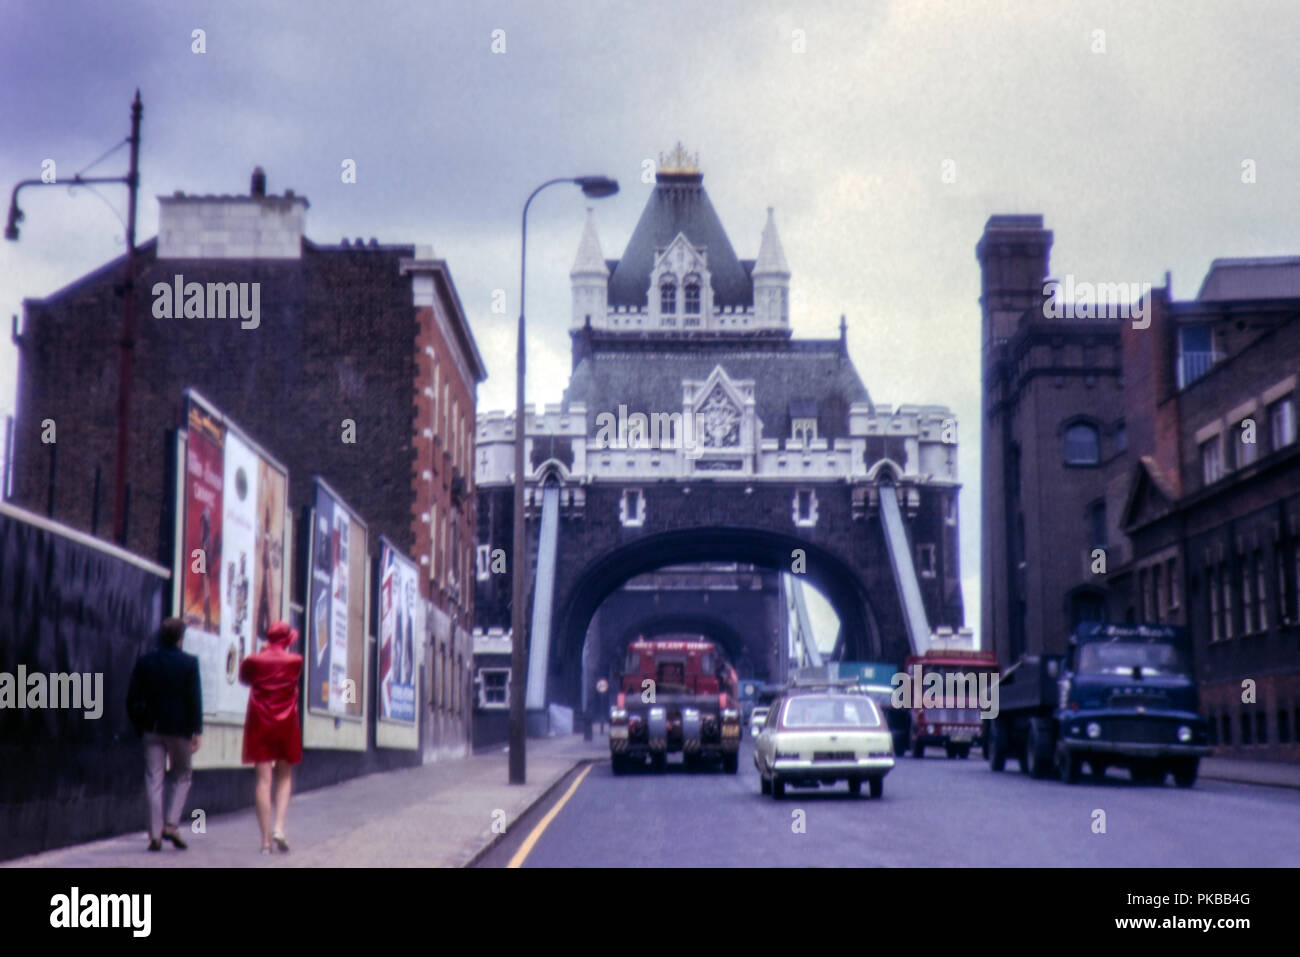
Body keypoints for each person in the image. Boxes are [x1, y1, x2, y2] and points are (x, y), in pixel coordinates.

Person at [125, 617, 203, 852]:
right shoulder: (189, 663)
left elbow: (131, 698)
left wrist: (140, 724)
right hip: (180, 730)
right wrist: (196, 730)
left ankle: (155, 835)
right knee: (182, 775)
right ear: (181, 638)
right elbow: (194, 698)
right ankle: (171, 824)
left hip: (152, 728)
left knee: (153, 778)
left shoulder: (146, 661)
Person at [238, 621, 303, 854]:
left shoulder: (254, 660)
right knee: (284, 777)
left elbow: (245, 679)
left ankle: (265, 842)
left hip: (260, 721)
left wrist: (263, 652)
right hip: (286, 723)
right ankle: (279, 827)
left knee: (263, 781)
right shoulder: (296, 661)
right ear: (287, 640)